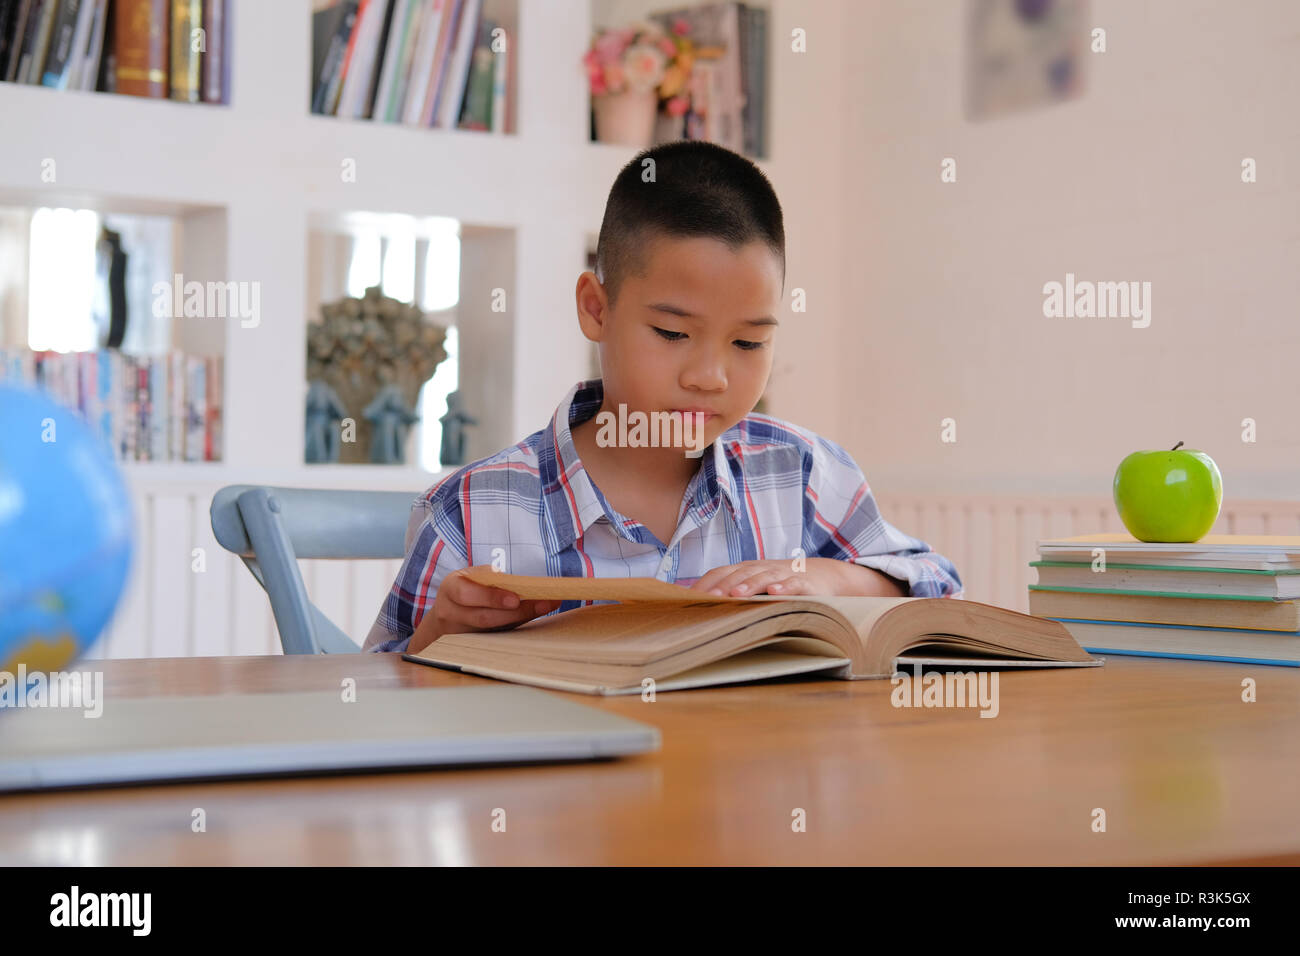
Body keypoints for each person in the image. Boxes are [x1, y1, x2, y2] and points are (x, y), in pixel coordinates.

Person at [363, 141, 961, 654]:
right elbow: (377, 695)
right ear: (596, 308)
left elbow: (936, 583)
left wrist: (834, 581)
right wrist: (436, 634)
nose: (711, 376)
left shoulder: (801, 475)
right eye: (673, 334)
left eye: (748, 342)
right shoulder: (471, 512)